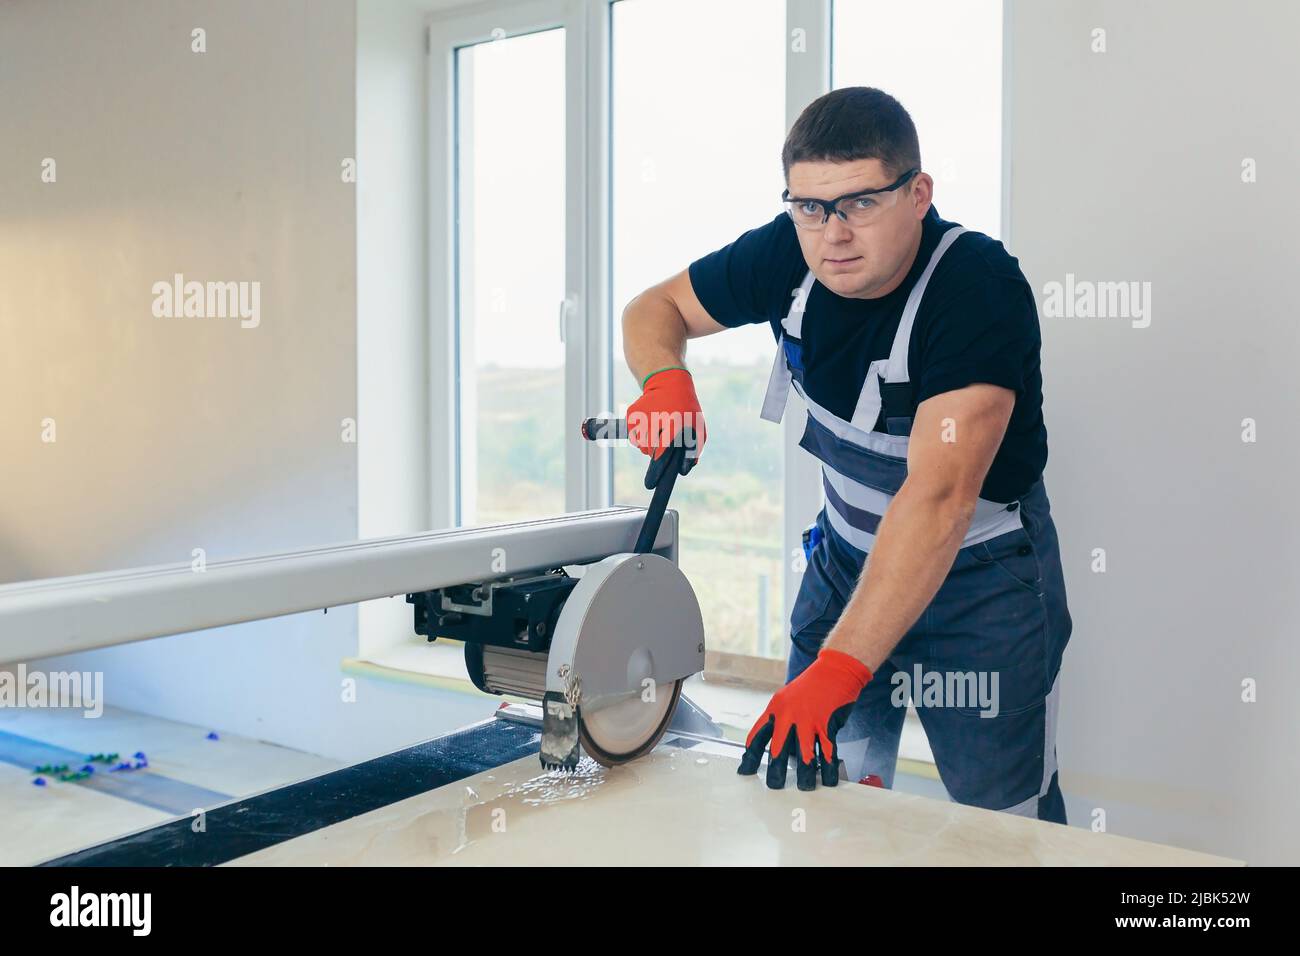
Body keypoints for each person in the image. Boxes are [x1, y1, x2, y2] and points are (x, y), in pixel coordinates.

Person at [619, 87, 1072, 822]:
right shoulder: (787, 250)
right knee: (823, 801)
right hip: (847, 559)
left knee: (1005, 825)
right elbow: (653, 308)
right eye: (809, 206)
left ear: (917, 193)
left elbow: (940, 497)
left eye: (861, 203)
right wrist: (666, 377)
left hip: (980, 584)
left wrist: (840, 667)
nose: (832, 233)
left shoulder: (976, 287)